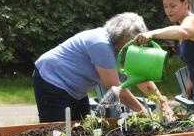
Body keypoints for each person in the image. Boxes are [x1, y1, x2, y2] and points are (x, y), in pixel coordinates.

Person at [33, 12, 172, 122]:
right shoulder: (101, 43)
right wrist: (143, 113)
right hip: (51, 80)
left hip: (75, 89)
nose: (135, 46)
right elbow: (114, 87)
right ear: (122, 36)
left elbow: (139, 76)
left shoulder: (121, 48)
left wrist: (161, 101)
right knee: (56, 131)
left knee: (81, 129)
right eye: (133, 41)